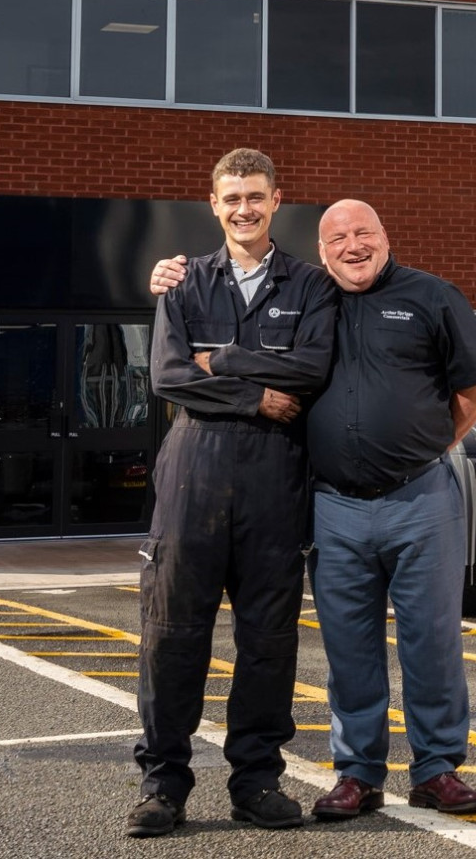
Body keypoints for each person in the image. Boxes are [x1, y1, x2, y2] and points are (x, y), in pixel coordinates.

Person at [152, 198, 476, 820]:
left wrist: (433, 442)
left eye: (363, 232)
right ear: (321, 251)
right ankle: (358, 774)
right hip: (334, 506)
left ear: (385, 237)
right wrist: (166, 276)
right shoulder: (313, 295)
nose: (352, 246)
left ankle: (438, 768)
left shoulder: (431, 295)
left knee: (432, 642)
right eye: (338, 238)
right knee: (349, 648)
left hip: (421, 498)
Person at [130, 148, 337, 838]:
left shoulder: (311, 286)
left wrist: (219, 361)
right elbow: (166, 375)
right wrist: (255, 396)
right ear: (213, 205)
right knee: (170, 637)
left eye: (256, 196)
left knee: (268, 641)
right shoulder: (184, 283)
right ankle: (163, 785)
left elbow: (311, 367)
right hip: (193, 470)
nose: (243, 208)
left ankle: (256, 782)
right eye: (231, 198)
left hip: (276, 480)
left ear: (277, 200)